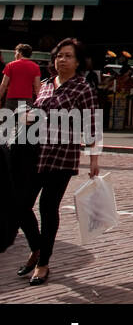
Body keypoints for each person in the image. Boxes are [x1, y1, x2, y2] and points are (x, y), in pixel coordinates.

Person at [15, 37, 100, 286]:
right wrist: (27, 117)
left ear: (77, 62)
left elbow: (92, 124)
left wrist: (94, 158)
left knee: (47, 209)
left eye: (68, 56)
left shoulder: (83, 88)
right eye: (59, 55)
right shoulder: (44, 84)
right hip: (35, 154)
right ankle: (37, 248)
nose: (62, 59)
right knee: (20, 205)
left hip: (61, 156)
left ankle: (42, 264)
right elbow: (37, 113)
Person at [1, 44, 41, 111]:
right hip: (27, 100)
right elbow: (37, 86)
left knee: (9, 121)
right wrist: (40, 100)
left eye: (15, 53)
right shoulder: (35, 67)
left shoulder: (10, 65)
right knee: (24, 120)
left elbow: (4, 85)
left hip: (11, 99)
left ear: (20, 53)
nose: (15, 55)